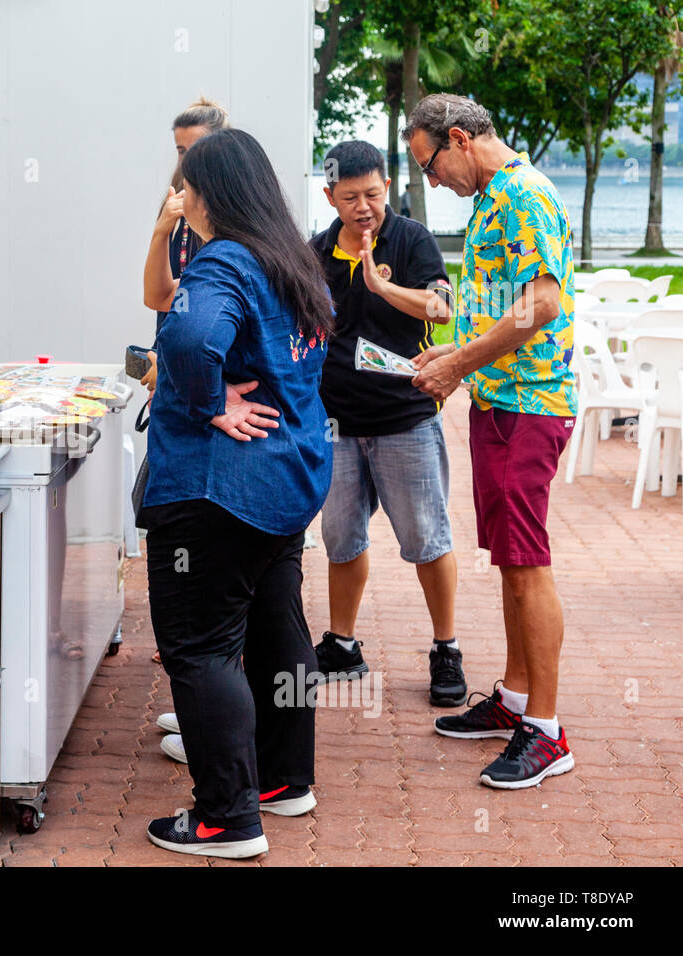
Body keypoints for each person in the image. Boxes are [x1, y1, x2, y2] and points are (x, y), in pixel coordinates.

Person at [138, 128, 334, 858]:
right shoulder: (290, 258)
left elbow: (188, 342)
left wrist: (208, 398)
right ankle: (285, 780)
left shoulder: (221, 261)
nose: (178, 198)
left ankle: (226, 817)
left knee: (200, 649)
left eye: (185, 186)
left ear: (211, 193)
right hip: (285, 481)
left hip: (216, 487)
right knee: (278, 627)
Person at [405, 93, 578, 789]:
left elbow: (540, 304)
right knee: (510, 558)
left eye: (431, 165)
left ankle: (547, 730)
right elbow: (505, 309)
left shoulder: (522, 194)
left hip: (528, 407)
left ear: (459, 139)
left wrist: (456, 363)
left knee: (528, 563)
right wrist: (447, 352)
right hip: (502, 402)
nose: (432, 181)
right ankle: (512, 700)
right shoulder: (498, 197)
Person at [308, 140, 464, 707]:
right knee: (340, 537)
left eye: (372, 194)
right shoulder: (316, 251)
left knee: (426, 538)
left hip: (406, 418)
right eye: (349, 197)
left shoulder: (412, 239)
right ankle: (343, 645)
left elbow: (441, 309)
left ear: (387, 189)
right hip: (336, 424)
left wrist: (381, 286)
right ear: (330, 196)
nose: (363, 206)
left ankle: (446, 648)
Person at [140, 97, 229, 669]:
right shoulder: (178, 208)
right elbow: (158, 297)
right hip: (179, 388)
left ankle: (206, 658)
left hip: (218, 400)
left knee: (210, 533)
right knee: (166, 519)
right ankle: (192, 649)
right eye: (179, 150)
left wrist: (214, 393)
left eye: (195, 148)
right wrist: (161, 228)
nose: (186, 160)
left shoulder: (240, 214)